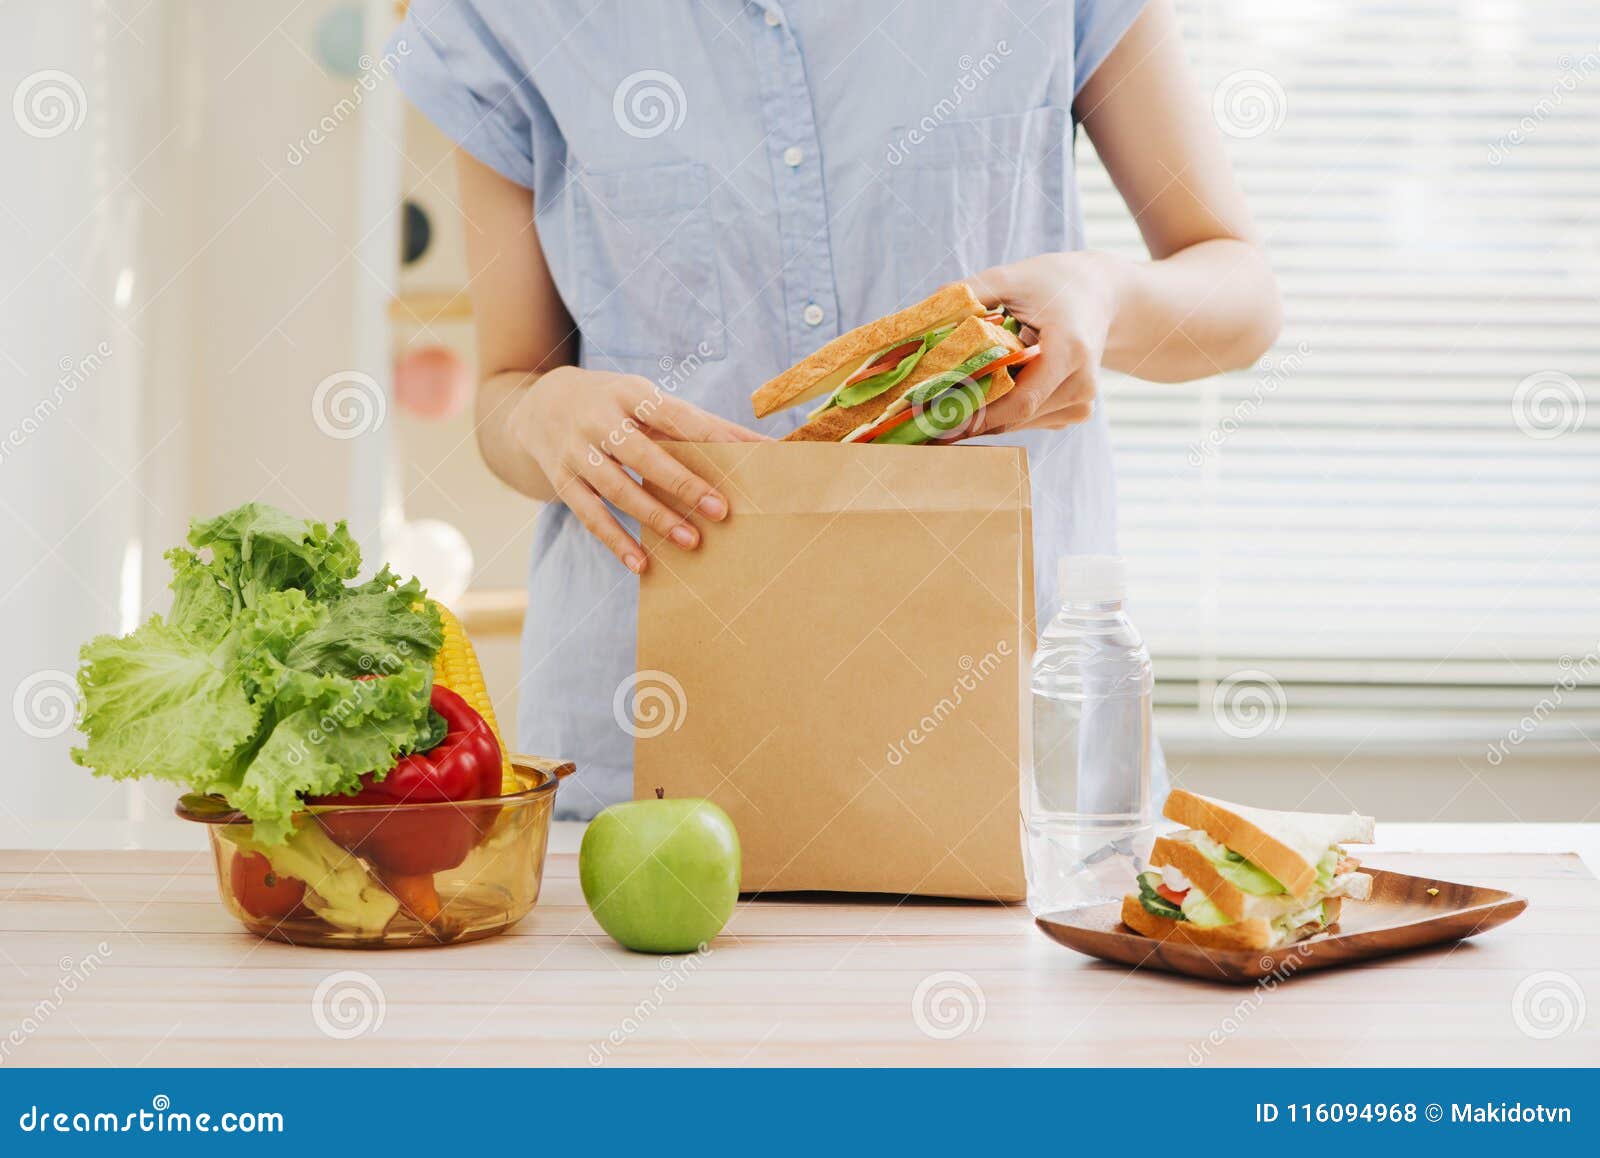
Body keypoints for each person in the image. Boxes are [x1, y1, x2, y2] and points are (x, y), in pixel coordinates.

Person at [391, 0, 1281, 817]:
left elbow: (1239, 294)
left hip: (1011, 753)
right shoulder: (505, 14)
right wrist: (545, 412)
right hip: (648, 758)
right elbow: (508, 390)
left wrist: (1104, 296)